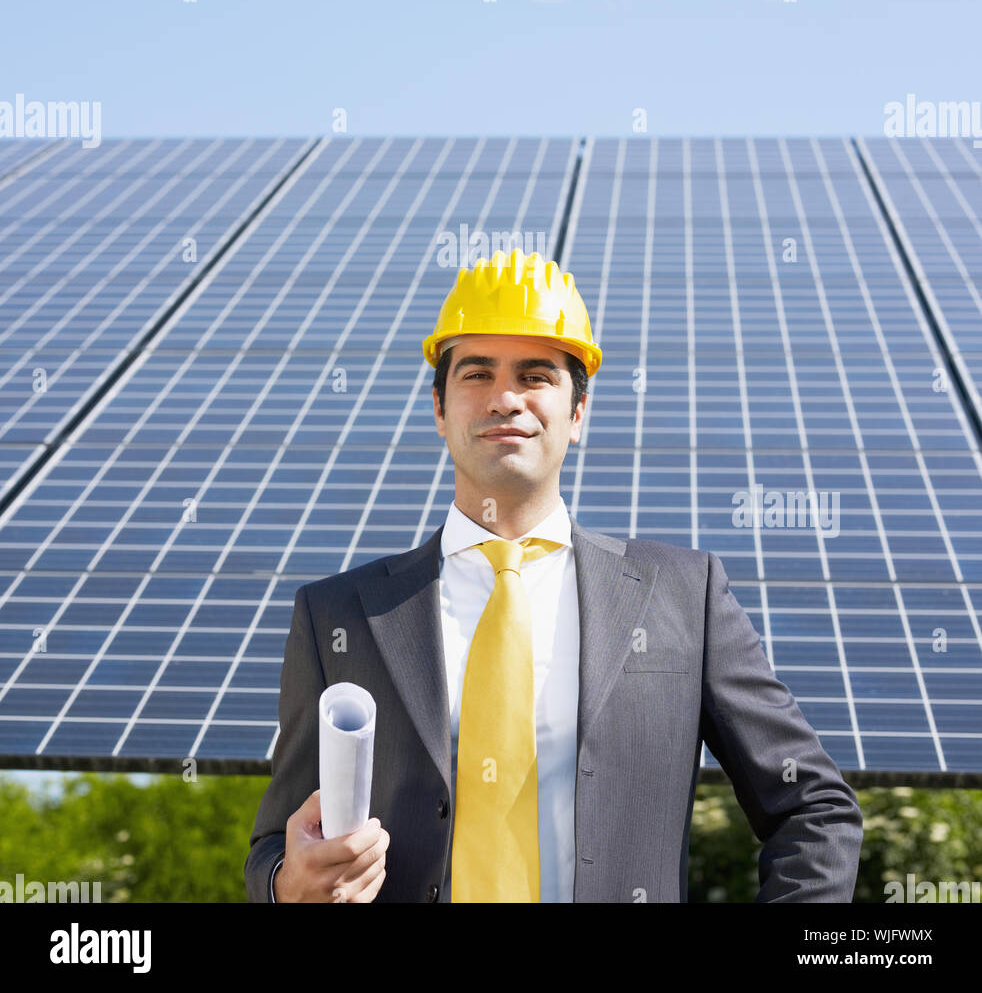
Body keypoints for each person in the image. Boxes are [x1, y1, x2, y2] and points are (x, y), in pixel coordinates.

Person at [245, 247, 863, 903]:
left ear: (577, 415)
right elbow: (273, 850)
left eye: (535, 375)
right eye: (476, 374)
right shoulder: (338, 616)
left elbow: (814, 810)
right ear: (438, 408)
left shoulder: (684, 596)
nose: (505, 398)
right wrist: (288, 887)